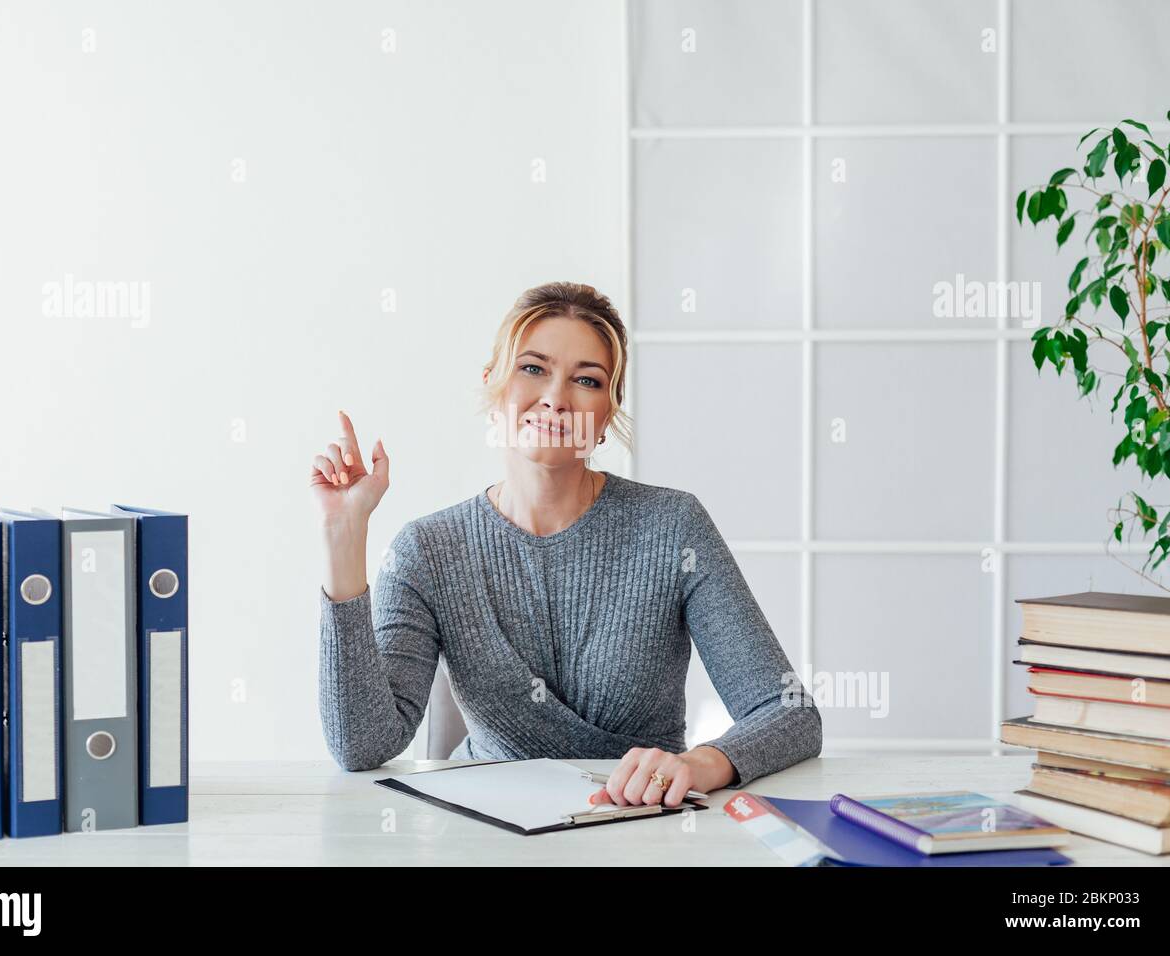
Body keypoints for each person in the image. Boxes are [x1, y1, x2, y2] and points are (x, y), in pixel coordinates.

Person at [311, 281, 821, 808]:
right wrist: (343, 536)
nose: (556, 398)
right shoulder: (428, 548)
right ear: (493, 387)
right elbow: (361, 746)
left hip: (638, 826)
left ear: (605, 417)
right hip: (484, 830)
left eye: (587, 380)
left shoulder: (673, 525)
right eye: (533, 368)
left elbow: (789, 713)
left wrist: (698, 764)